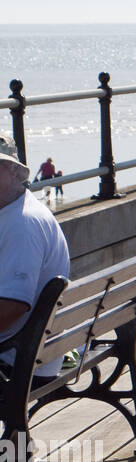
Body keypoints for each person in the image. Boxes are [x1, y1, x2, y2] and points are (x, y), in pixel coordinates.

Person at [0, 137, 71, 381]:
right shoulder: (20, 208)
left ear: (14, 171)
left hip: (17, 361)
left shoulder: (21, 225)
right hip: (38, 349)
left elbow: (14, 306)